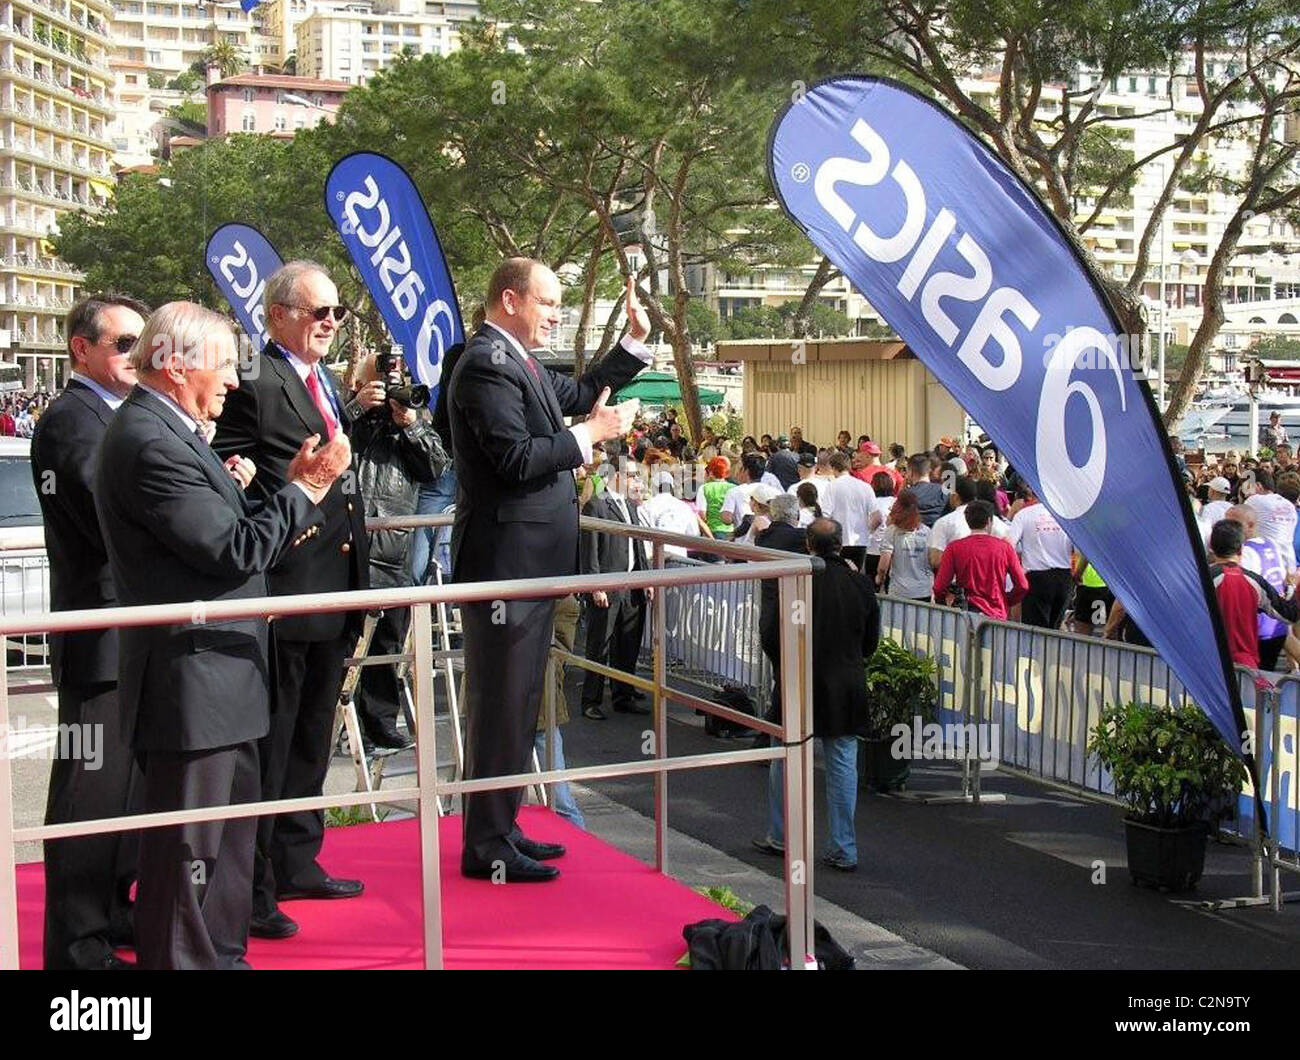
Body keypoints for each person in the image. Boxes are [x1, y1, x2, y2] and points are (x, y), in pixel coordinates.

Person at [95, 301, 350, 969]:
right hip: (192, 680)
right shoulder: (149, 439)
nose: (235, 383)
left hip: (222, 677)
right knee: (190, 852)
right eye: (224, 367)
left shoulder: (170, 431)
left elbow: (227, 538)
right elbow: (233, 551)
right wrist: (307, 490)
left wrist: (282, 490)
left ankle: (221, 955)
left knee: (228, 846)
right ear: (176, 366)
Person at [448, 260, 649, 883]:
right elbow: (514, 458)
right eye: (549, 302)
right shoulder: (486, 363)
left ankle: (502, 828)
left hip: (531, 568)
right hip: (507, 567)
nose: (557, 314)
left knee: (521, 703)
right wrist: (591, 434)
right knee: (501, 704)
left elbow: (579, 392)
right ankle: (486, 844)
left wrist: (632, 344)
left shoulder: (520, 361)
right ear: (509, 300)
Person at [212, 260, 369, 941]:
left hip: (336, 585)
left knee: (312, 736)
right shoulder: (254, 384)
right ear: (278, 316)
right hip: (287, 585)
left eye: (337, 314)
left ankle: (298, 858)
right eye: (319, 313)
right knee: (272, 745)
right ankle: (253, 887)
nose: (332, 323)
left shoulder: (323, 378)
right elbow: (227, 474)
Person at [33, 293, 149, 970]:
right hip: (97, 632)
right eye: (123, 343)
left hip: (129, 630)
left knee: (127, 790)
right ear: (82, 348)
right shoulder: (73, 419)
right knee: (89, 792)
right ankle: (77, 946)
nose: (137, 356)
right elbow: (102, 515)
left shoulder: (118, 415)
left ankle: (114, 910)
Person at [753, 517, 879, 872]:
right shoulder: (860, 584)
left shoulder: (795, 582)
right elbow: (871, 641)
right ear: (840, 544)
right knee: (841, 766)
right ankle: (843, 846)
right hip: (845, 684)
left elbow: (771, 635)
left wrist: (784, 665)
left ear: (808, 544)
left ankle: (781, 835)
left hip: (797, 681)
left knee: (786, 760)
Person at [348, 352, 447, 748]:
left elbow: (437, 467)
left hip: (393, 550)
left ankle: (380, 724)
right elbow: (324, 442)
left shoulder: (409, 423)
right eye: (383, 383)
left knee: (387, 643)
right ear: (361, 385)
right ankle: (341, 722)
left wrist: (411, 426)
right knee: (345, 642)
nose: (393, 389)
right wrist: (357, 410)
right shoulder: (344, 416)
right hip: (348, 548)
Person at [579, 464, 650, 721]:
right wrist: (595, 585)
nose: (635, 480)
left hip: (632, 585)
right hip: (607, 586)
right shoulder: (596, 505)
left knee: (628, 643)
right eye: (631, 475)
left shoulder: (629, 506)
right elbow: (590, 550)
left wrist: (647, 577)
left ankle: (623, 694)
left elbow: (638, 544)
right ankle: (591, 700)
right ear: (617, 476)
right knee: (599, 644)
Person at [1207, 519, 1299, 670]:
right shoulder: (1254, 581)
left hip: (1209, 665)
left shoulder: (1201, 579)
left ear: (1211, 547)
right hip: (1247, 667)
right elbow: (1290, 615)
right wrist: (1290, 586)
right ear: (1242, 549)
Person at [933, 501, 1029, 620]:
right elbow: (1023, 585)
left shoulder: (954, 548)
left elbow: (939, 586)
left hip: (965, 615)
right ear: (989, 521)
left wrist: (942, 602)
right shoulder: (1005, 548)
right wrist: (1007, 600)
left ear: (967, 521)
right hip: (997, 613)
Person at [1226, 505, 1293, 671]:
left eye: (1234, 522)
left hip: (1258, 629)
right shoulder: (1271, 543)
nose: (1228, 527)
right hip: (1277, 626)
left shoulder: (1246, 552)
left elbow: (1244, 589)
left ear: (1250, 524)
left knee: (1253, 683)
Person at [1009, 484, 1073, 628]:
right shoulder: (1067, 514)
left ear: (1033, 492)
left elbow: (1008, 546)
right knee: (1054, 629)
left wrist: (1017, 571)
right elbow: (1080, 550)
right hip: (1064, 577)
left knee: (1035, 632)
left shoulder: (1024, 514)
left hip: (1036, 577)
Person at [818, 450, 876, 569]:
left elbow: (825, 516)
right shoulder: (865, 487)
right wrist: (868, 531)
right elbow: (878, 517)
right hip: (861, 541)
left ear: (833, 467)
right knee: (856, 576)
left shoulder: (832, 486)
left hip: (840, 540)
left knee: (841, 577)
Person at [876, 489, 931, 601]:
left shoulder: (891, 531)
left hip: (899, 591)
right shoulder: (927, 531)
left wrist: (879, 578)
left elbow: (883, 566)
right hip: (923, 590)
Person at [1244, 467, 1298, 573]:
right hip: (1290, 566)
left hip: (1268, 565)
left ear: (1258, 486)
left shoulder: (1254, 500)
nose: (1245, 493)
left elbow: (1237, 525)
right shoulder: (1288, 505)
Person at [694, 455, 736, 539]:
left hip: (712, 531)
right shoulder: (734, 488)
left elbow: (702, 514)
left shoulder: (704, 488)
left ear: (711, 471)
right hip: (732, 532)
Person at [906, 452, 948, 527]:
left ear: (911, 471)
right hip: (939, 534)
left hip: (914, 536)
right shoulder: (944, 491)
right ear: (928, 471)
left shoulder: (907, 495)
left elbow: (893, 519)